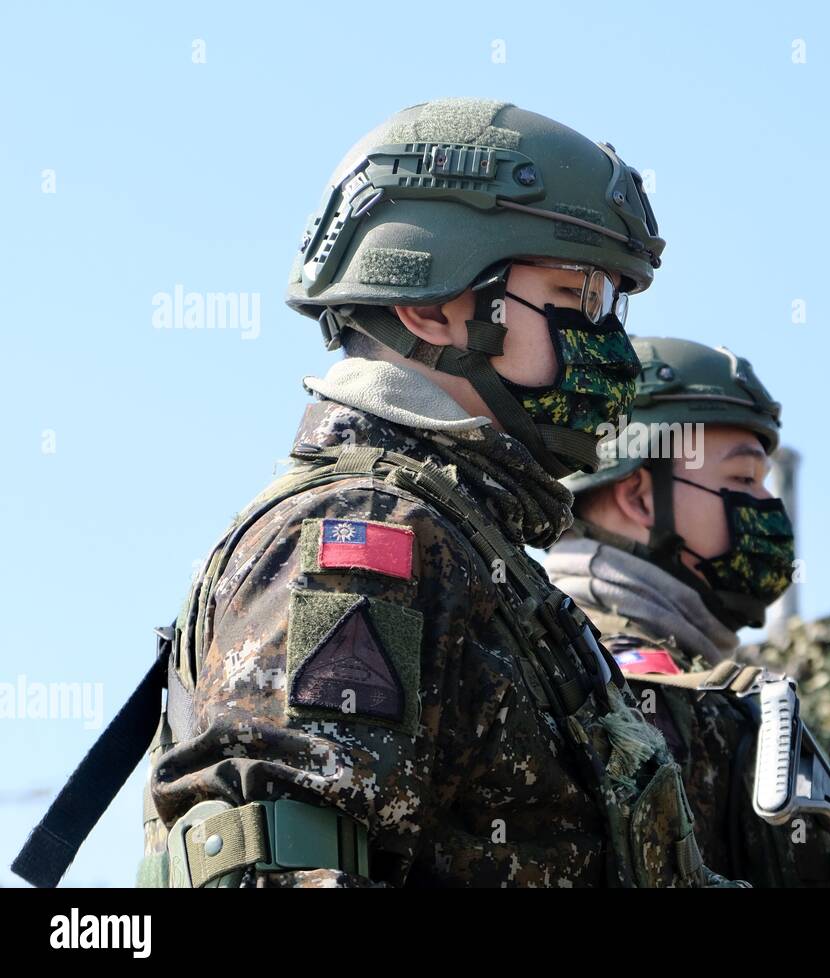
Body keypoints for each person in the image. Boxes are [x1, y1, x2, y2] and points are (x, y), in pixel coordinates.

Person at [134, 98, 738, 888]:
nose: (614, 348)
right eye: (580, 299)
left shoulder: (474, 549)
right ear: (431, 305)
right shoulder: (360, 541)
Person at [545, 336, 830, 886]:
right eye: (743, 480)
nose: (769, 506)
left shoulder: (612, 658)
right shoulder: (624, 685)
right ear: (641, 498)